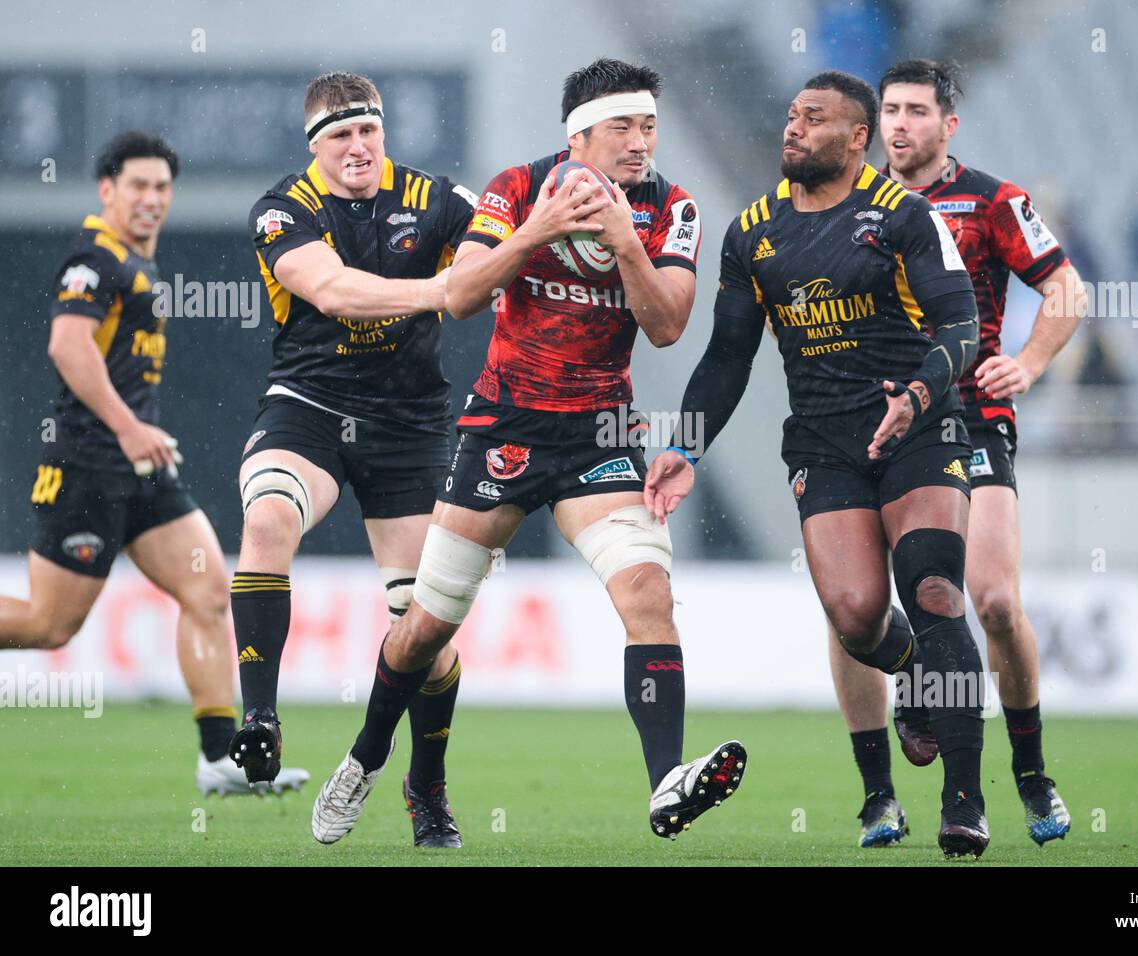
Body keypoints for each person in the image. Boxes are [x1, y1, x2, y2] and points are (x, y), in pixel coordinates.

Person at [312, 58, 745, 846]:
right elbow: (465, 293)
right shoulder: (515, 187)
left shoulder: (670, 208)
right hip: (503, 427)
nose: (642, 142)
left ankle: (666, 785)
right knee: (424, 628)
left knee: (649, 592)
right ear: (579, 135)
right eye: (624, 126)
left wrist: (625, 244)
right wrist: (541, 229)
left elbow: (669, 324)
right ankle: (370, 756)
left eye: (649, 125)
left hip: (600, 437)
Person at [645, 70, 990, 858]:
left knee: (934, 586)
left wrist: (918, 393)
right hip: (824, 442)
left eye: (815, 119)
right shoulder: (752, 233)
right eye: (792, 114)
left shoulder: (902, 216)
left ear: (856, 138)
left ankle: (964, 802)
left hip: (920, 428)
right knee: (856, 615)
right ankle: (912, 672)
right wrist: (683, 444)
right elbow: (727, 358)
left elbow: (960, 325)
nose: (793, 128)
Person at [0, 131, 307, 797]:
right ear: (107, 189)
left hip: (139, 468)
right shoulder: (94, 258)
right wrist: (130, 426)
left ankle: (218, 758)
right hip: (87, 465)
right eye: (137, 185)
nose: (151, 198)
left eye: (162, 187)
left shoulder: (138, 264)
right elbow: (66, 346)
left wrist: (137, 437)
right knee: (48, 626)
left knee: (207, 591)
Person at [232, 72, 476, 846]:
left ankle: (425, 786)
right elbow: (332, 292)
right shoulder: (281, 210)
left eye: (368, 130)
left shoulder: (439, 196)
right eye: (339, 135)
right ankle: (260, 718)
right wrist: (444, 289)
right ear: (314, 146)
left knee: (426, 635)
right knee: (268, 515)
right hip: (310, 406)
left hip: (409, 424)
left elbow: (502, 250)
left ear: (384, 131)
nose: (358, 146)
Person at [844, 58, 1084, 845]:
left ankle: (1031, 774)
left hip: (969, 416)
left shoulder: (993, 200)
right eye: (890, 109)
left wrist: (1033, 362)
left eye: (916, 111)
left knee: (994, 600)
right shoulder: (845, 199)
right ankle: (879, 793)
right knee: (853, 606)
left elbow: (1066, 289)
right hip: (868, 420)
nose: (899, 124)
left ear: (950, 125)